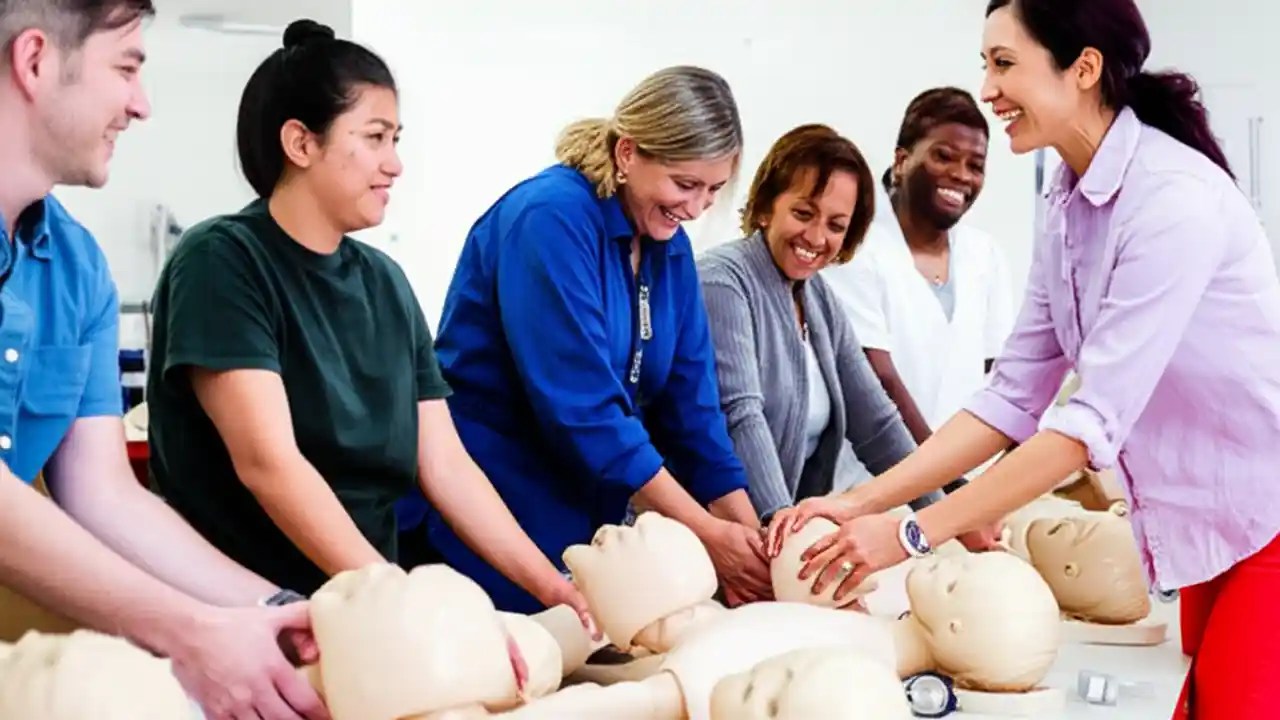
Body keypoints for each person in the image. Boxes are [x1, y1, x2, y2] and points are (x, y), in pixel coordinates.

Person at [766, 1, 1280, 717]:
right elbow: (1010, 397)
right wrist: (858, 501)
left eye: (1003, 63)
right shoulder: (1067, 203)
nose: (987, 87)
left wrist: (914, 531)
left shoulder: (1172, 201)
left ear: (1084, 69)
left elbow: (1085, 425)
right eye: (986, 64)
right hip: (1200, 524)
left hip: (1266, 513)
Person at [145, 19, 591, 634]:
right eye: (376, 138)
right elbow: (268, 463)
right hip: (248, 613)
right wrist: (396, 597)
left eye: (396, 138)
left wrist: (549, 584)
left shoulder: (384, 281)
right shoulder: (222, 261)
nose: (395, 164)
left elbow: (446, 468)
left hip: (364, 606)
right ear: (301, 144)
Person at [0, 2, 327, 718]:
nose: (141, 105)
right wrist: (192, 632)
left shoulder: (77, 267)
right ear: (34, 61)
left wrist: (278, 611)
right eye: (126, 68)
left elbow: (104, 494)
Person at [415, 65, 772, 613]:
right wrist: (705, 531)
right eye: (685, 184)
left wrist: (751, 542)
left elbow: (692, 410)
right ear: (628, 153)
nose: (697, 209)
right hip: (493, 507)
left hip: (586, 515)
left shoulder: (665, 242)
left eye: (713, 191)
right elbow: (583, 411)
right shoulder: (551, 220)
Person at [697, 124, 949, 525]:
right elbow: (741, 415)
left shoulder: (820, 300)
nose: (816, 236)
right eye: (803, 213)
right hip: (716, 533)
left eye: (835, 225)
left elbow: (878, 426)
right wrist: (782, 526)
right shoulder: (722, 281)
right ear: (765, 207)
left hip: (780, 527)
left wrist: (943, 520)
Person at [822, 88, 1014, 473]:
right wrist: (943, 481)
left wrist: (994, 482)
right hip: (878, 484)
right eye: (943, 156)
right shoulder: (855, 251)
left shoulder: (984, 254)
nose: (961, 175)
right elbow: (880, 384)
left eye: (975, 165)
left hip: (975, 483)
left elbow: (1004, 381)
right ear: (902, 160)